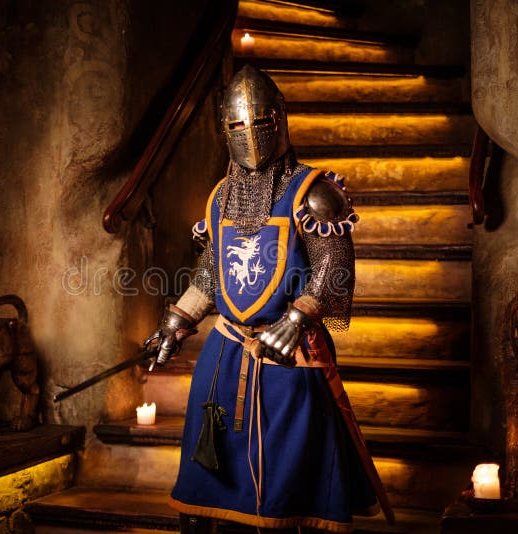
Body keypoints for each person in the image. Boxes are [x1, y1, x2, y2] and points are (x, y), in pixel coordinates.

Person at [143, 65, 392, 534]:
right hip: (224, 351)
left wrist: (299, 317)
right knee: (212, 461)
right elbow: (212, 273)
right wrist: (177, 320)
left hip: (286, 352)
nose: (250, 134)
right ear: (224, 129)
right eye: (237, 125)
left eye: (260, 122)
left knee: (285, 468)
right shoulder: (221, 197)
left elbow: (333, 270)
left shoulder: (315, 193)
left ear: (280, 118)